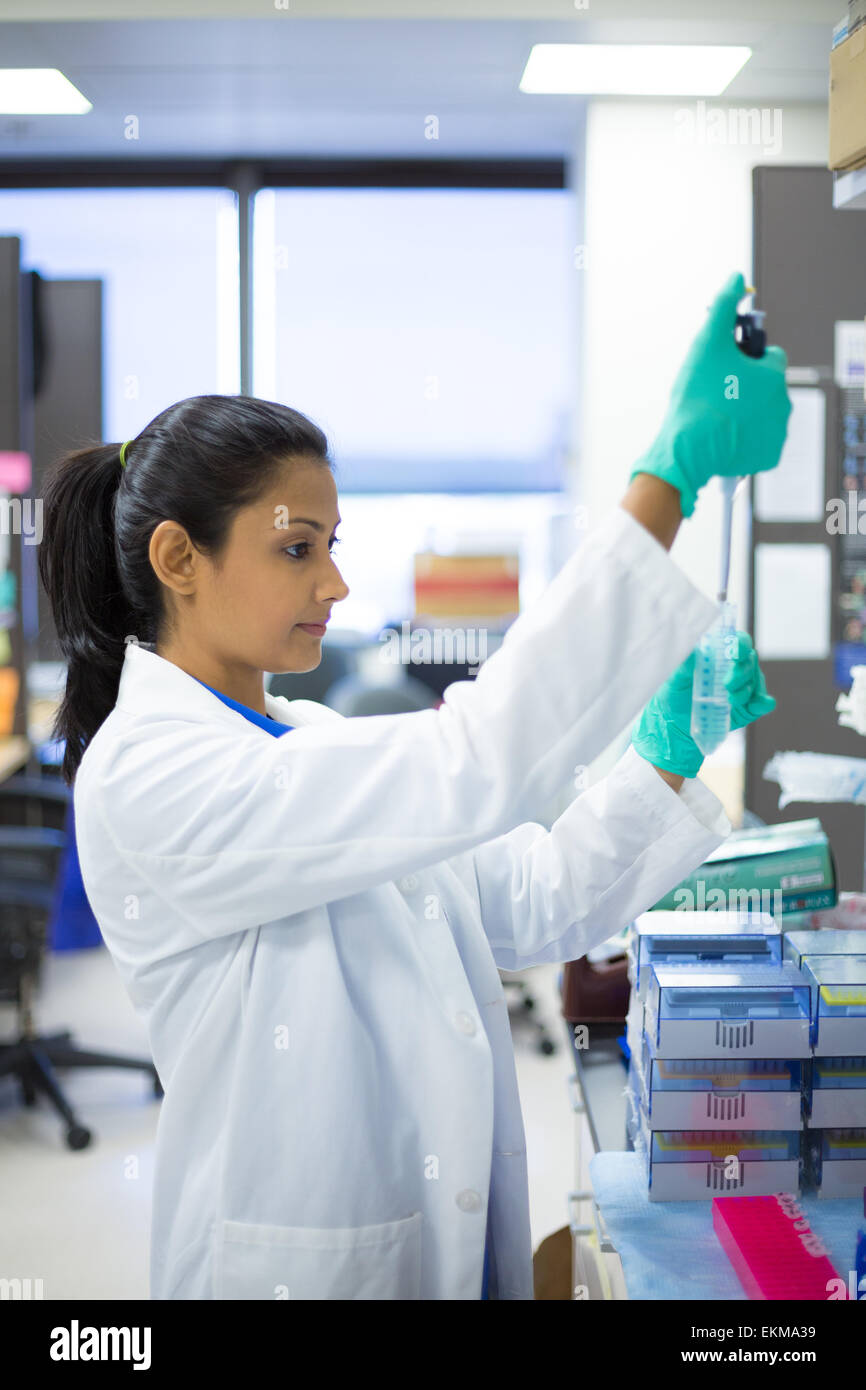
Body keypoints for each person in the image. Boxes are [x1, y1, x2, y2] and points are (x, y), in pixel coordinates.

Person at [38, 270, 791, 1301]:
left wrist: (667, 749)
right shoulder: (153, 771)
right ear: (178, 558)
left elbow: (528, 902)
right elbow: (473, 761)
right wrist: (665, 477)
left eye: (332, 548)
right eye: (297, 548)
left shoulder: (302, 735)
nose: (335, 584)